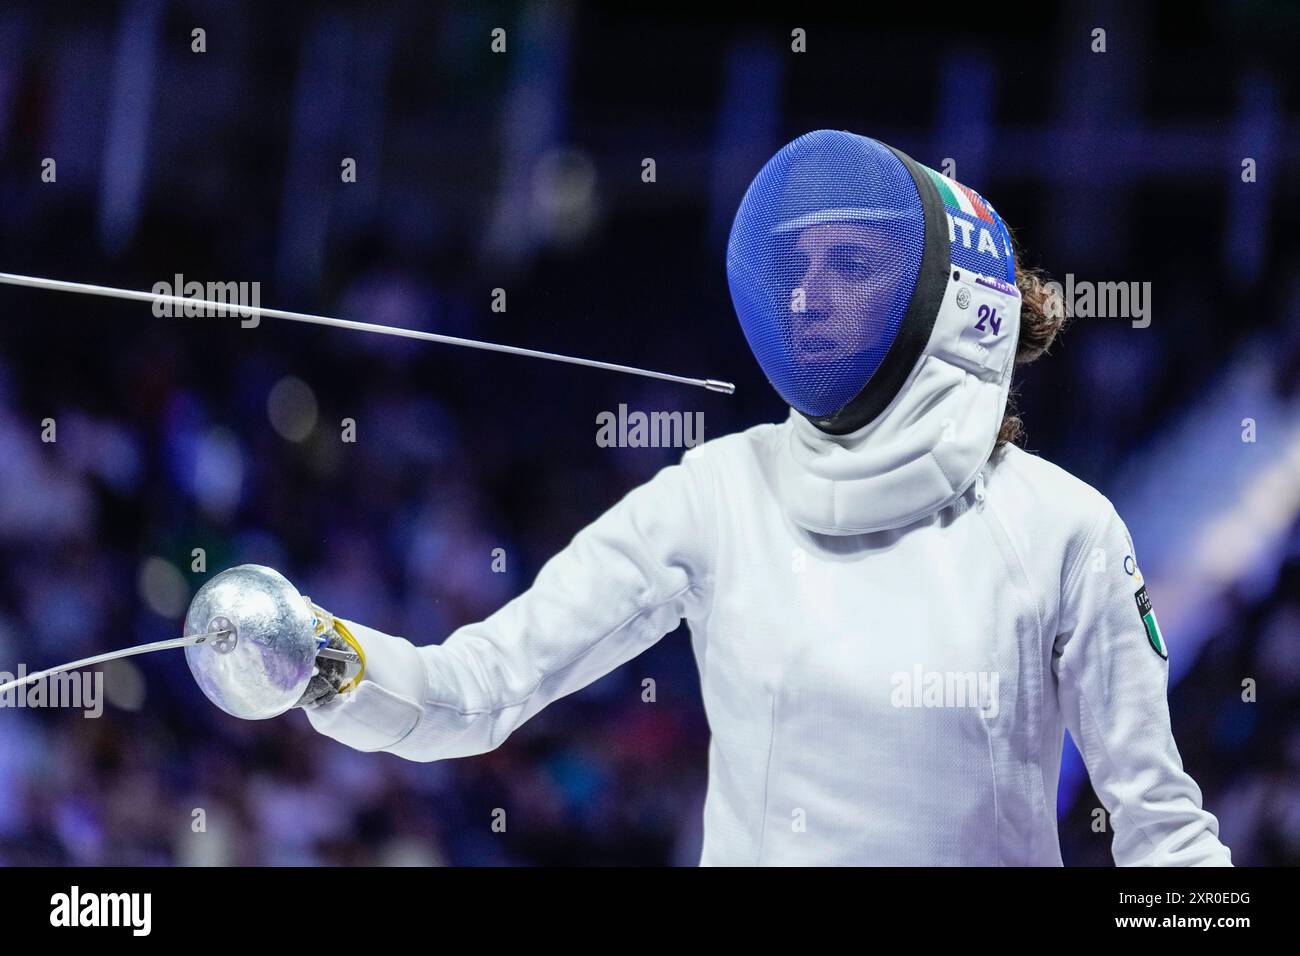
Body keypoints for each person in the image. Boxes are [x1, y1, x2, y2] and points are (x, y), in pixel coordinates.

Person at [292, 130, 1231, 866]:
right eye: (797, 268)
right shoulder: (720, 493)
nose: (807, 299)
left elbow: (1160, 828)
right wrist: (319, 661)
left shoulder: (1062, 528)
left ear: (950, 309)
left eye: (852, 268)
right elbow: (476, 689)